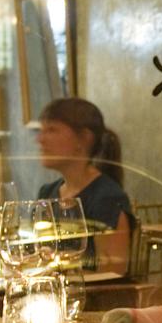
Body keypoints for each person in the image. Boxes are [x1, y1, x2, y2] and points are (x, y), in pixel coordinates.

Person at [36, 98, 134, 271]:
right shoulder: (47, 193)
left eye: (52, 130)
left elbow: (112, 275)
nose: (40, 139)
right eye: (41, 130)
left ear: (84, 140)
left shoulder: (107, 198)